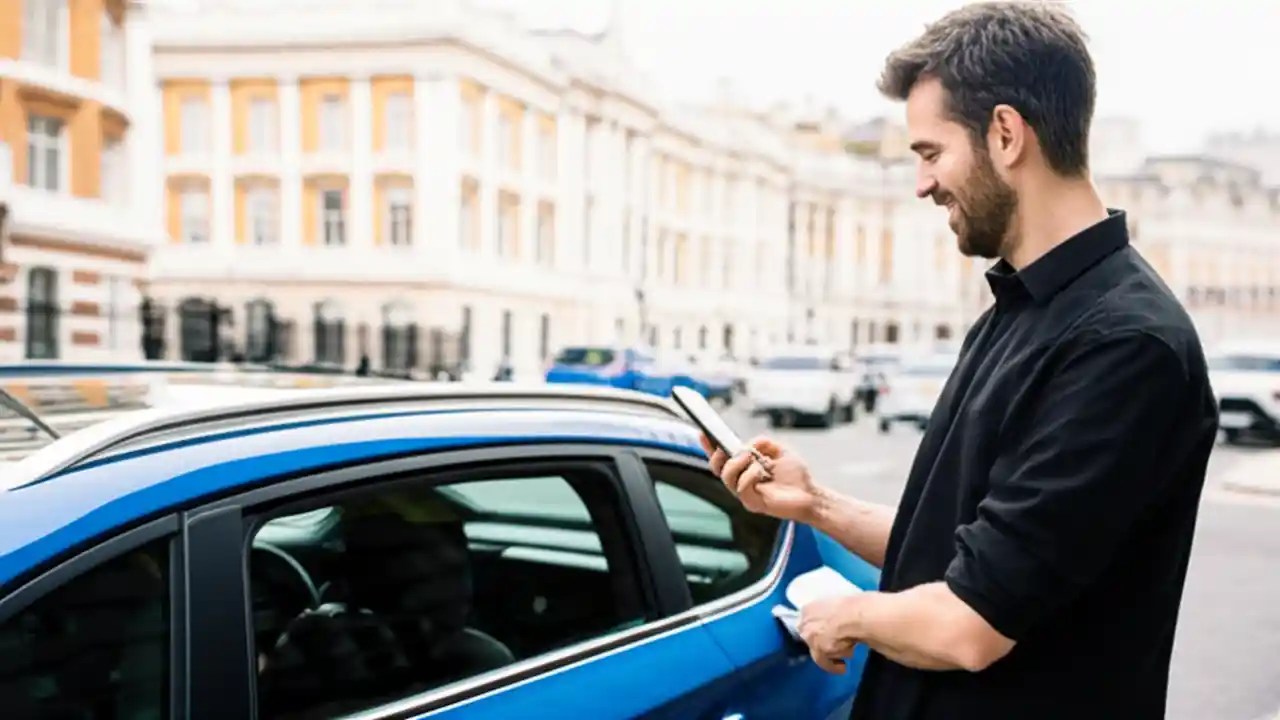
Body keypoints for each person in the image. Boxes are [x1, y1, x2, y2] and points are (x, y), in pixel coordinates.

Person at [703, 3, 1219, 719]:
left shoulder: (1125, 346)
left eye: (930, 153)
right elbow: (962, 551)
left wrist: (844, 616)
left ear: (1005, 134)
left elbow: (971, 623)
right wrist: (814, 504)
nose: (923, 184)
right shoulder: (1019, 309)